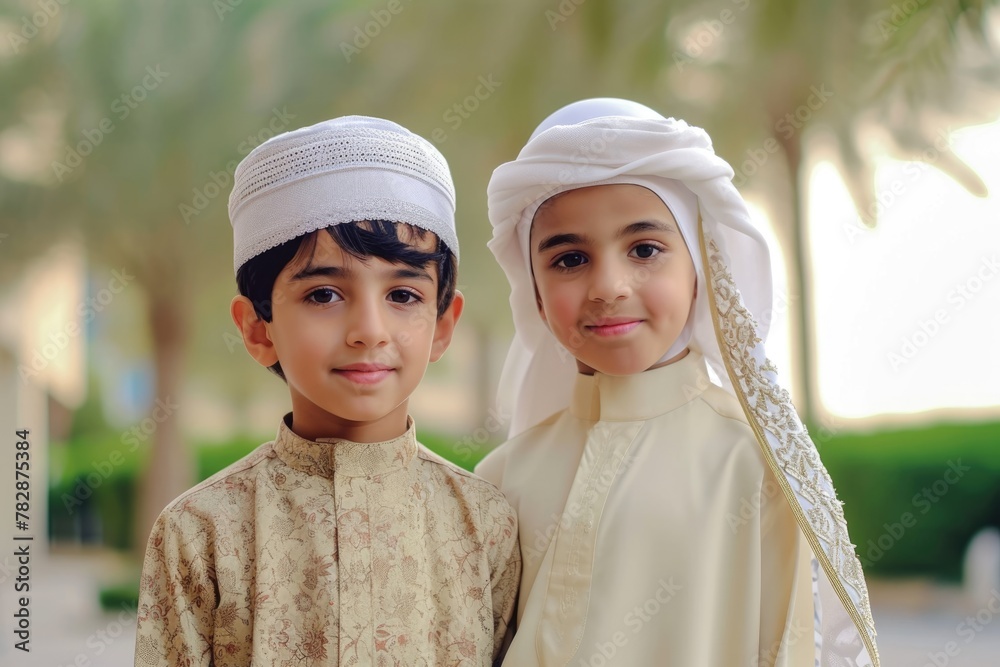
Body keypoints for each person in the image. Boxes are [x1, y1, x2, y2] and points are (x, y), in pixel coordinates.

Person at [475, 98, 879, 666]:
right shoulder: (499, 479)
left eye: (645, 249)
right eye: (569, 259)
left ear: (700, 268)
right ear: (535, 292)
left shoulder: (758, 468)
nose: (608, 286)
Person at [134, 115, 520, 666]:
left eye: (404, 295)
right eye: (323, 295)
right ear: (257, 328)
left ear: (442, 326)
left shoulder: (484, 523)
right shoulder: (200, 531)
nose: (369, 329)